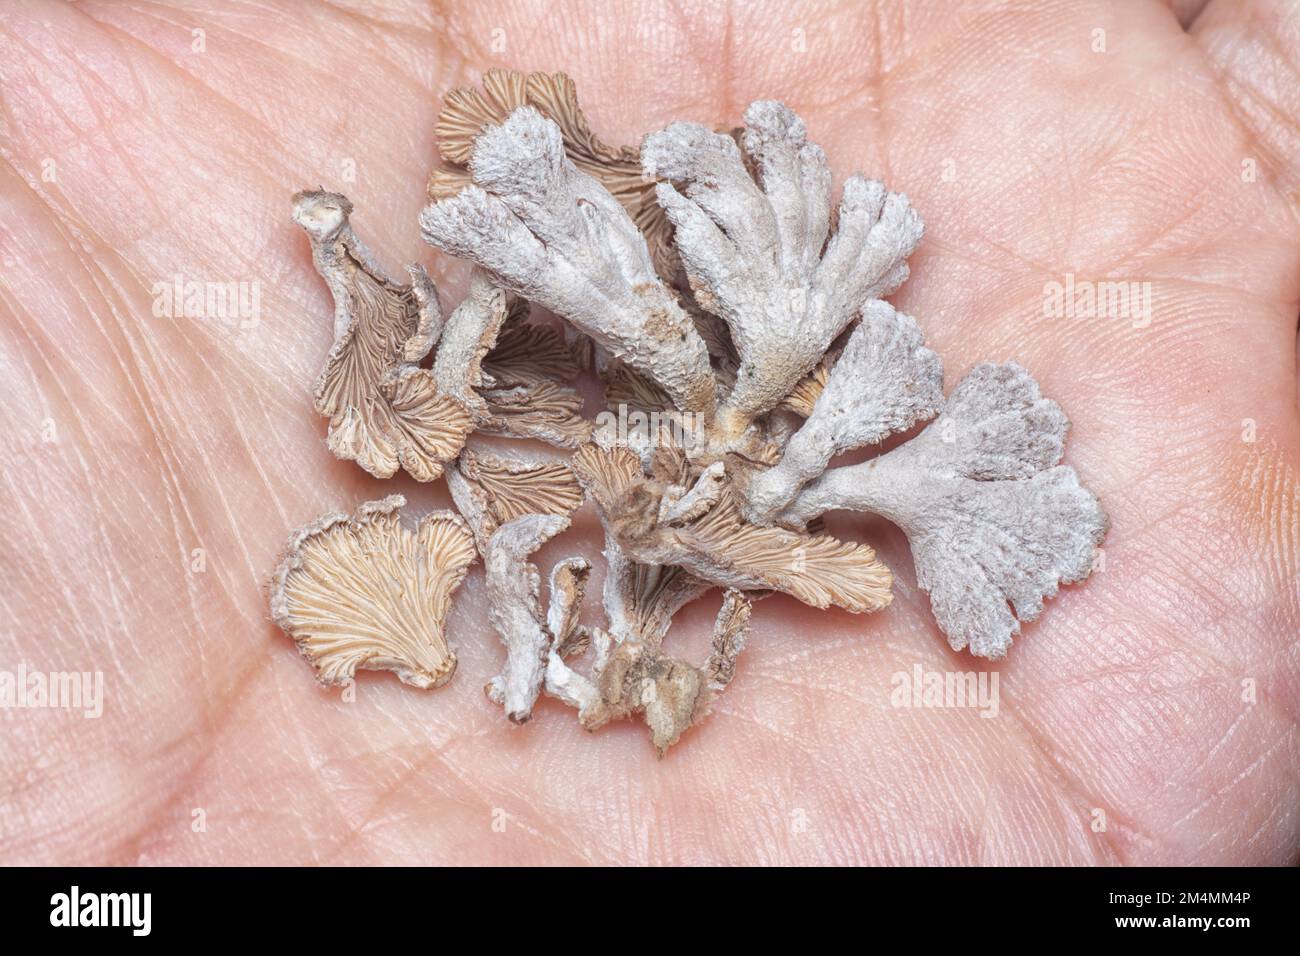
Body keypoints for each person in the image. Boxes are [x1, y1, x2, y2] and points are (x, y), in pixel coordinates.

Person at [0, 0, 1295, 865]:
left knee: (724, 405)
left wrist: (744, 472)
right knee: (680, 387)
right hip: (636, 434)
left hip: (710, 423)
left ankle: (769, 449)